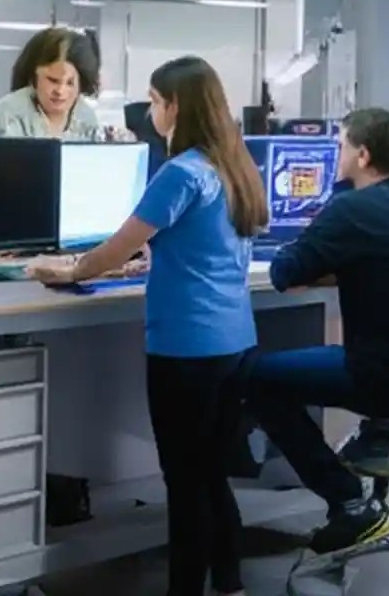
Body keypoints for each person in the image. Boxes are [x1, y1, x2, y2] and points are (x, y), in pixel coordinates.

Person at [30, 56, 267, 596]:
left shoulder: (181, 171)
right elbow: (197, 244)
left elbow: (113, 249)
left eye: (155, 102)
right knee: (211, 474)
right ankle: (229, 584)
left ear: (174, 106)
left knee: (184, 484)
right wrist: (151, 257)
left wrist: (66, 270)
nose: (152, 111)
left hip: (186, 346)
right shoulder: (233, 167)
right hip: (234, 342)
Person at [243, 108, 389, 558]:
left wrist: (328, 228)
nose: (336, 155)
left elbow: (283, 271)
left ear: (363, 155)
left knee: (256, 377)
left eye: (341, 146)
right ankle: (377, 438)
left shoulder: (352, 209)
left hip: (380, 373)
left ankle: (351, 502)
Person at [0, 27, 101, 140]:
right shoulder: (10, 110)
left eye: (70, 83)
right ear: (34, 76)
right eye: (53, 80)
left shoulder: (87, 116)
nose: (60, 91)